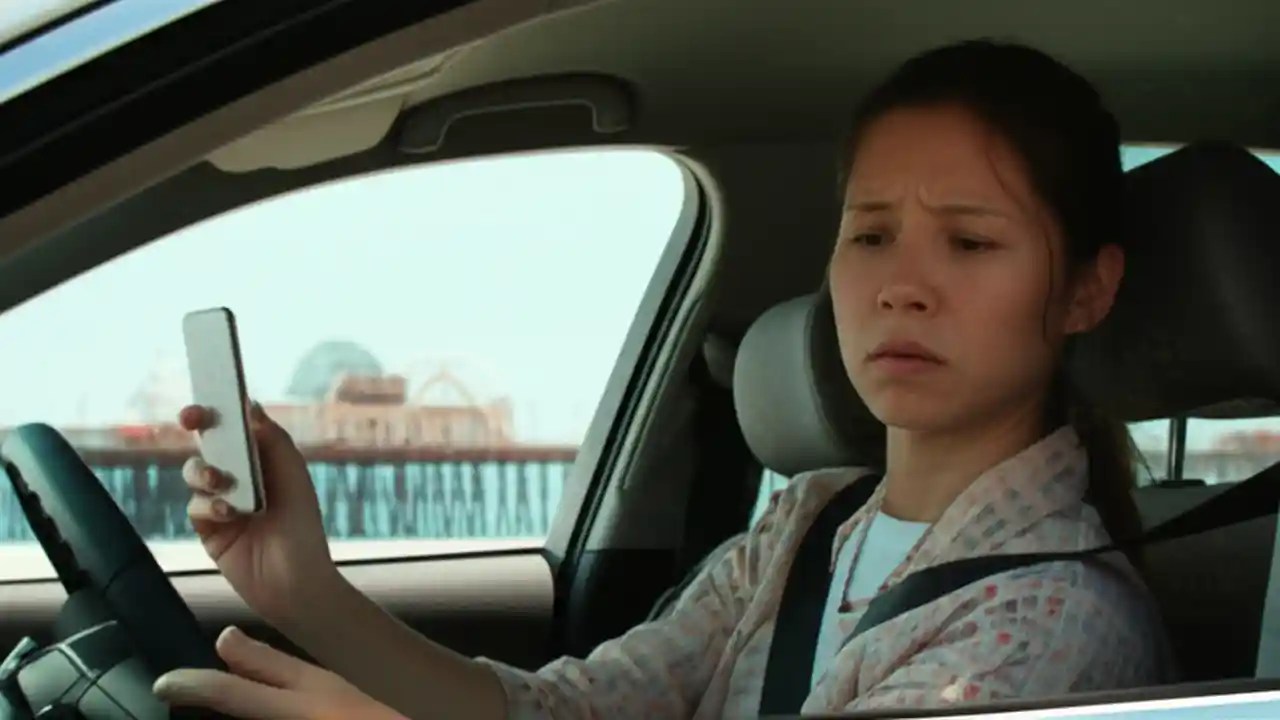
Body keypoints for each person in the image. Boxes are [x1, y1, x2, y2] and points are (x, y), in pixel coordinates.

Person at [153, 39, 1175, 719]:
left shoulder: (1057, 630)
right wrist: (308, 593)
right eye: (869, 234)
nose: (900, 287)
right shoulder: (806, 527)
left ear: (1086, 291)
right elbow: (568, 712)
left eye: (967, 241)